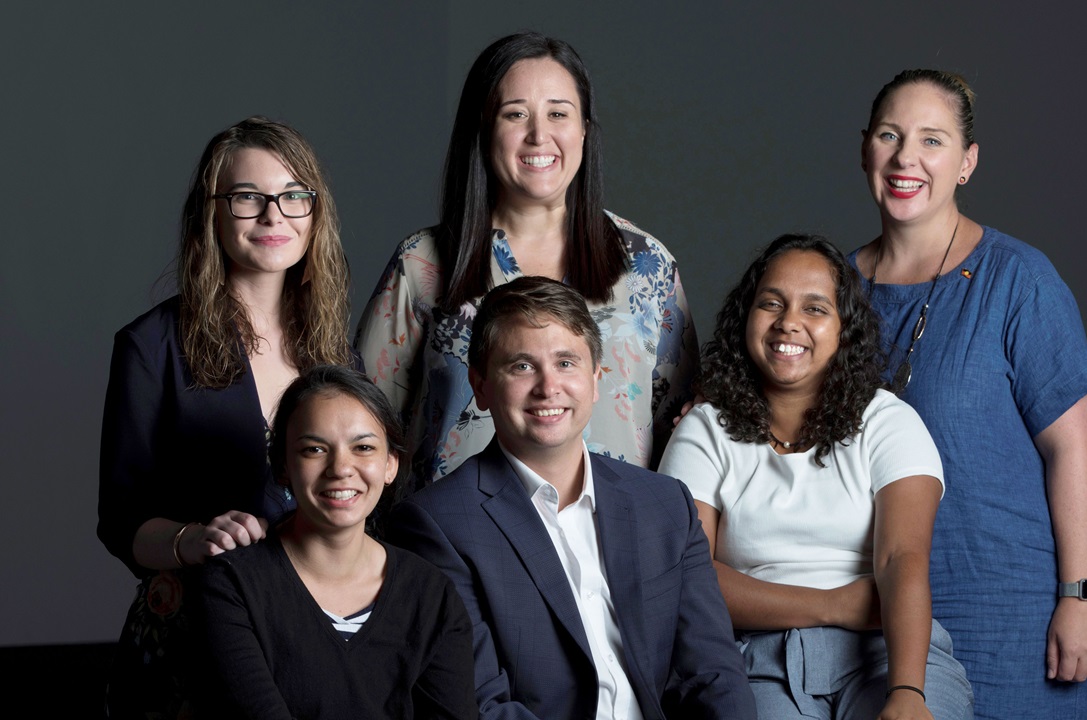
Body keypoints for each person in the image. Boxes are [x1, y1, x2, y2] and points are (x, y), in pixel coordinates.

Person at [851, 69, 1087, 718]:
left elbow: (1074, 448)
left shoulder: (1018, 279)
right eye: (890, 134)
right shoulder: (828, 290)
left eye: (932, 140)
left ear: (966, 163)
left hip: (1007, 620)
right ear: (866, 150)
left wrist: (1083, 597)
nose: (907, 156)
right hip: (869, 621)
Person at [391, 276, 756, 720]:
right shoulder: (436, 525)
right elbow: (481, 705)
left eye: (566, 363)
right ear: (481, 386)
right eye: (521, 366)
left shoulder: (664, 504)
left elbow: (714, 676)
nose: (549, 387)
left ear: (596, 378)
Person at [356, 31, 697, 491]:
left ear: (584, 130)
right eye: (515, 114)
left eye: (558, 113)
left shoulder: (646, 264)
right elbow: (359, 421)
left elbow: (683, 432)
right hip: (454, 550)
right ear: (483, 127)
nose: (540, 135)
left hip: (612, 548)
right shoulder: (423, 264)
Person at [97, 116, 354, 718]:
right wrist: (193, 540)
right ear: (210, 214)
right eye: (248, 198)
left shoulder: (336, 351)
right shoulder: (150, 345)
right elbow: (121, 520)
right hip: (193, 637)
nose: (274, 217)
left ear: (315, 215)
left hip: (313, 633)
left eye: (294, 197)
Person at [659, 235, 973, 720]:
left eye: (815, 308)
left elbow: (902, 558)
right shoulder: (704, 429)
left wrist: (908, 691)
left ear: (845, 329)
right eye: (771, 303)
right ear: (746, 317)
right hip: (757, 659)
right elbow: (690, 580)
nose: (789, 322)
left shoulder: (889, 422)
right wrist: (834, 605)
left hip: (889, 648)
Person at [193, 365, 476, 719]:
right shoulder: (232, 585)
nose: (341, 468)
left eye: (363, 447)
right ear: (282, 466)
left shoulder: (433, 596)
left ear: (390, 464)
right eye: (314, 449)